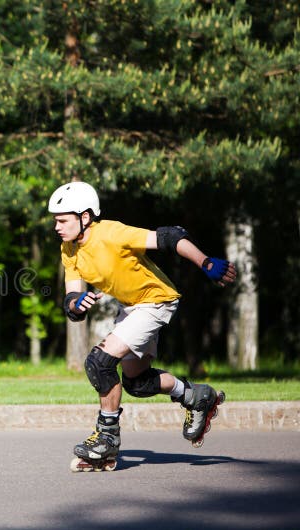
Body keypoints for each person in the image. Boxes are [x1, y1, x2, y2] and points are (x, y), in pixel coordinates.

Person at [48, 181, 237, 464]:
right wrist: (77, 303)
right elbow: (72, 299)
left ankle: (106, 438)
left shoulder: (112, 233)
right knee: (136, 382)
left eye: (63, 220)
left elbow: (171, 236)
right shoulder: (68, 249)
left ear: (85, 217)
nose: (57, 227)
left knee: (99, 362)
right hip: (132, 307)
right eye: (55, 221)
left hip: (156, 301)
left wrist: (205, 262)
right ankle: (196, 396)